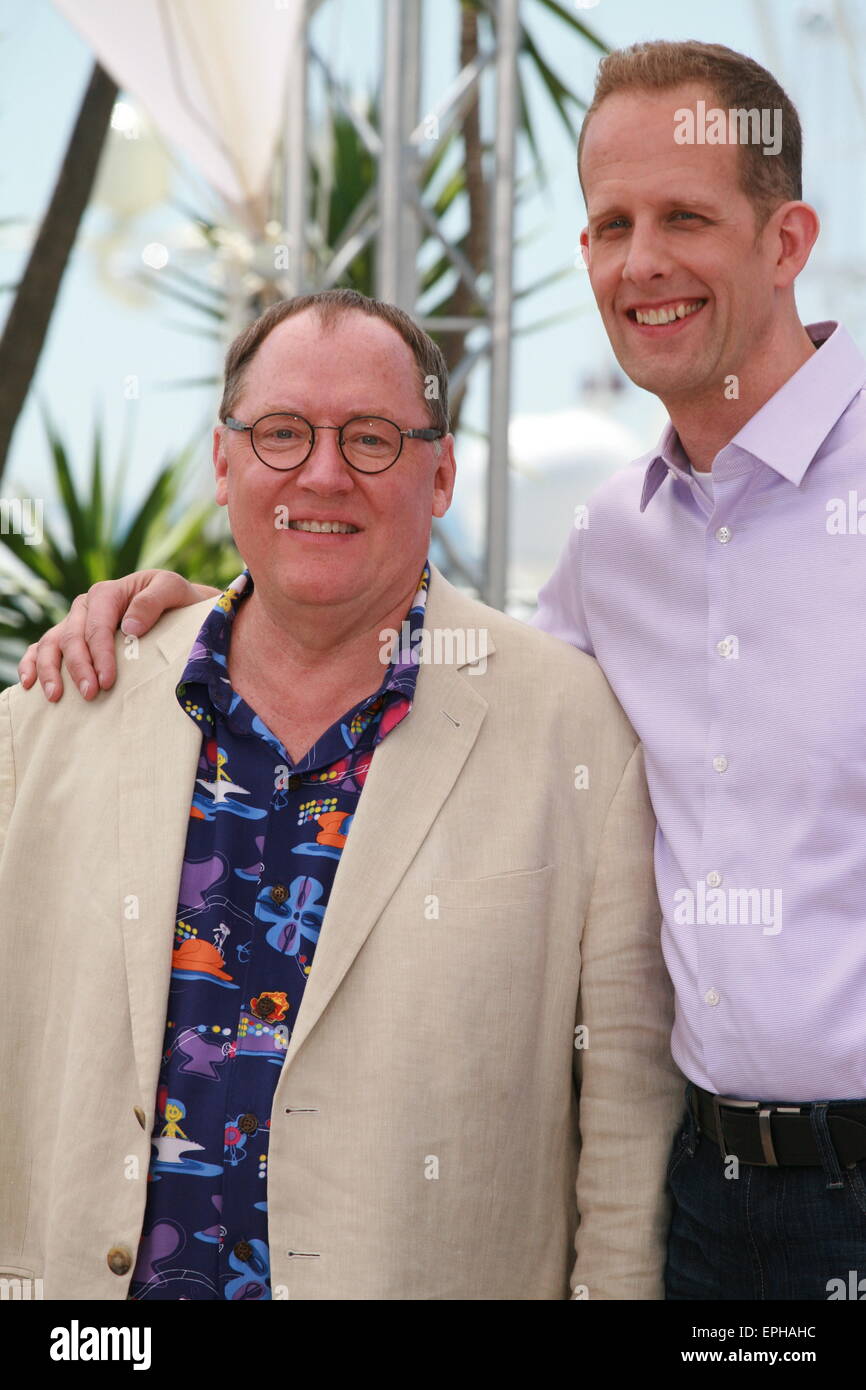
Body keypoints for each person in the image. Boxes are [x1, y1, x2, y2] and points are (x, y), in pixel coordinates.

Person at [31, 38, 866, 1302]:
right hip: (721, 1204)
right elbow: (428, 662)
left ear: (788, 237)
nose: (640, 260)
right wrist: (223, 610)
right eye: (608, 223)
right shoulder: (609, 545)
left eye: (684, 216)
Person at [0, 287, 683, 1301]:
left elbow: (623, 1143)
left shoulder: (576, 734)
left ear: (441, 471)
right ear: (223, 460)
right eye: (281, 433)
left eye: (371, 438)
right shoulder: (56, 716)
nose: (322, 472)